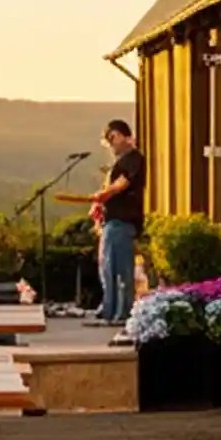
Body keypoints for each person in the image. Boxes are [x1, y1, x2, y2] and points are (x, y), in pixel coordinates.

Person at [87, 119, 146, 327]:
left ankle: (121, 313)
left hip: (123, 222)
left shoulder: (134, 158)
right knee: (107, 268)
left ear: (122, 135)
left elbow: (123, 183)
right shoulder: (121, 160)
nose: (110, 143)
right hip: (111, 222)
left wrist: (103, 195)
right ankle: (109, 310)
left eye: (112, 138)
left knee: (120, 270)